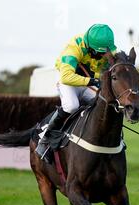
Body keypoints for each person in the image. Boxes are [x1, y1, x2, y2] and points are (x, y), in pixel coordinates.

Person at [35, 24, 117, 161]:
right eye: (100, 53)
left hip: (87, 80)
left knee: (106, 103)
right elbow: (66, 77)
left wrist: (97, 77)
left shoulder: (108, 50)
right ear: (90, 47)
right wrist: (92, 81)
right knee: (71, 106)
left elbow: (108, 71)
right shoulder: (73, 48)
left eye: (105, 52)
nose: (104, 56)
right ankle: (45, 139)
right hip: (68, 81)